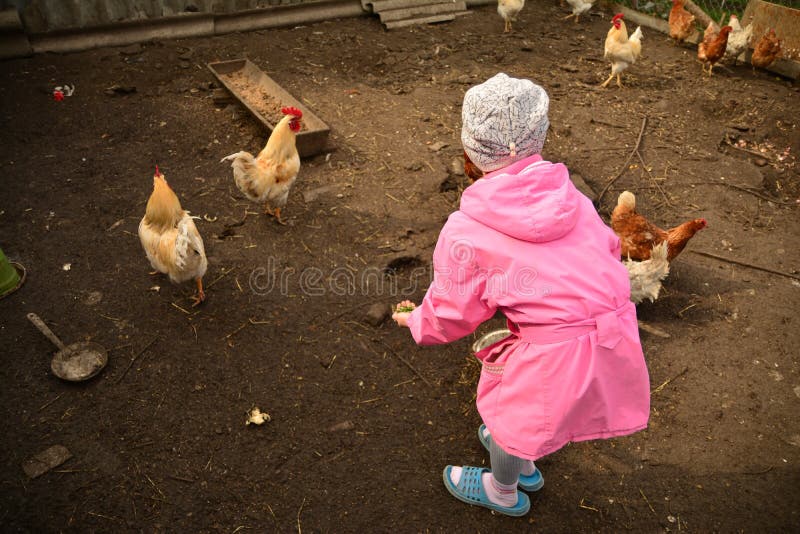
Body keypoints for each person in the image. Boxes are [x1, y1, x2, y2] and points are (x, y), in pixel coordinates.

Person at [391, 73, 650, 517]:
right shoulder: (573, 199)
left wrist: (417, 320)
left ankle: (502, 489)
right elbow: (608, 251)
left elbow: (452, 310)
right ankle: (522, 456)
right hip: (614, 336)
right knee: (532, 414)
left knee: (508, 421)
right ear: (539, 136)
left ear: (472, 148)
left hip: (553, 353)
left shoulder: (467, 230)